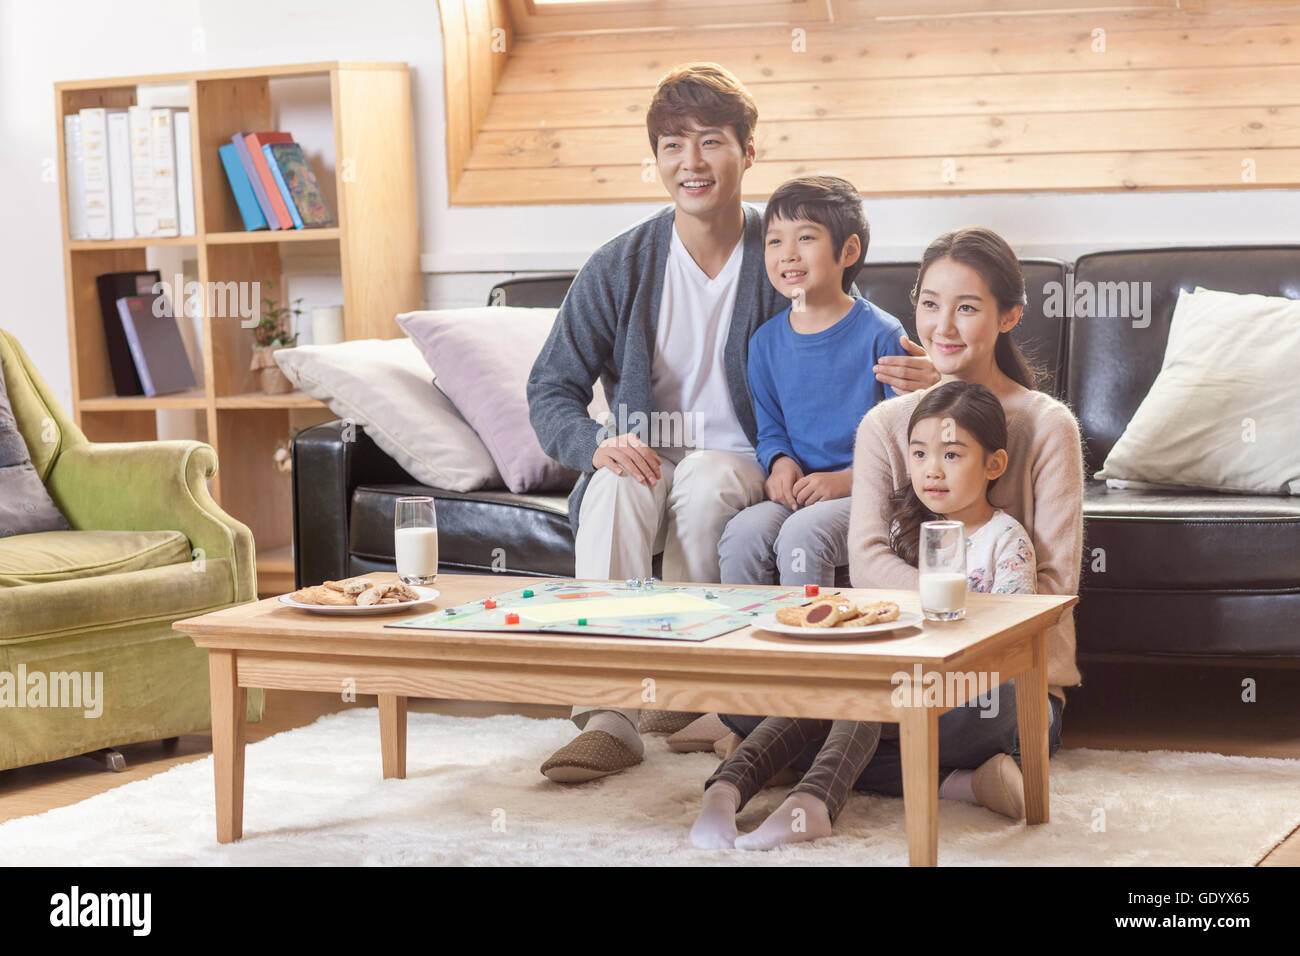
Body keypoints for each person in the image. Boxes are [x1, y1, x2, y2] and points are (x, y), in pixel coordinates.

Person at [526, 63, 938, 783]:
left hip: (749, 459)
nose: (691, 163)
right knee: (616, 484)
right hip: (646, 452)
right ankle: (609, 712)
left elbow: (858, 344)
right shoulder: (619, 264)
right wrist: (595, 445)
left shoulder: (786, 249)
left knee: (712, 478)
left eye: (710, 141)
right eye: (672, 146)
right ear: (655, 160)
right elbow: (550, 387)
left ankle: (698, 686)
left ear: (748, 152)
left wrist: (925, 382)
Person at [717, 227, 1085, 817]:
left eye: (967, 308)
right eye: (931, 303)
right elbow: (866, 563)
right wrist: (935, 608)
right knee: (744, 692)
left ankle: (785, 753)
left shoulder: (1046, 425)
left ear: (1010, 316)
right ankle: (962, 782)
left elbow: (1054, 589)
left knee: (975, 719)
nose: (942, 326)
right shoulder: (887, 424)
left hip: (1000, 687)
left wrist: (950, 615)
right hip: (889, 669)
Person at [691, 380, 1036, 849]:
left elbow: (1014, 643)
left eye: (952, 456)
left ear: (993, 463)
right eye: (919, 454)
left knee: (866, 696)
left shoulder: (1004, 540)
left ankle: (810, 797)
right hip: (900, 697)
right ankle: (725, 792)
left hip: (969, 704)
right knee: (831, 694)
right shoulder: (899, 531)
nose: (932, 470)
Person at [716, 174, 908, 588]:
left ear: (848, 250)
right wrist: (780, 462)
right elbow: (771, 431)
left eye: (805, 238)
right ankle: (745, 646)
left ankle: (807, 644)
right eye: (774, 241)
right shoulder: (765, 343)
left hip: (871, 493)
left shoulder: (883, 334)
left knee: (804, 535)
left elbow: (906, 442)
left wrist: (845, 480)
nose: (788, 255)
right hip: (802, 492)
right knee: (742, 534)